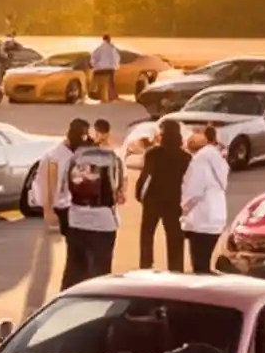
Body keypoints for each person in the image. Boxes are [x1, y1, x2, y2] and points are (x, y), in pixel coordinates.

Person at [62, 143, 126, 289]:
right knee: (101, 274)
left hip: (77, 221)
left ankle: (69, 300)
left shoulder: (74, 158)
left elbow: (64, 189)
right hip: (104, 223)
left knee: (74, 271)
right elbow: (120, 192)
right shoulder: (113, 158)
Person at [136, 119, 190, 271]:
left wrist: (139, 195)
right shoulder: (185, 157)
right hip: (174, 200)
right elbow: (188, 182)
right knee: (175, 236)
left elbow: (145, 178)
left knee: (147, 234)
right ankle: (176, 268)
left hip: (152, 199)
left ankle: (146, 266)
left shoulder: (152, 154)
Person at [181, 127, 229, 274]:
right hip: (217, 214)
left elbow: (194, 189)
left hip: (201, 217)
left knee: (199, 265)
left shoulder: (200, 160)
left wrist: (183, 208)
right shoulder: (218, 159)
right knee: (205, 261)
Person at [39, 118, 91, 238]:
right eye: (84, 135)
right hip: (63, 206)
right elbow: (50, 183)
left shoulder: (78, 151)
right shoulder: (56, 155)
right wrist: (48, 210)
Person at [91, 35, 120, 103]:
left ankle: (103, 99)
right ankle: (108, 100)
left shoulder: (99, 49)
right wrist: (116, 67)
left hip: (99, 70)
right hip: (109, 70)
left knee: (101, 86)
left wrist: (94, 66)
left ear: (103, 39)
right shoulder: (112, 49)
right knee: (108, 85)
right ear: (109, 39)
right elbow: (116, 59)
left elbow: (93, 58)